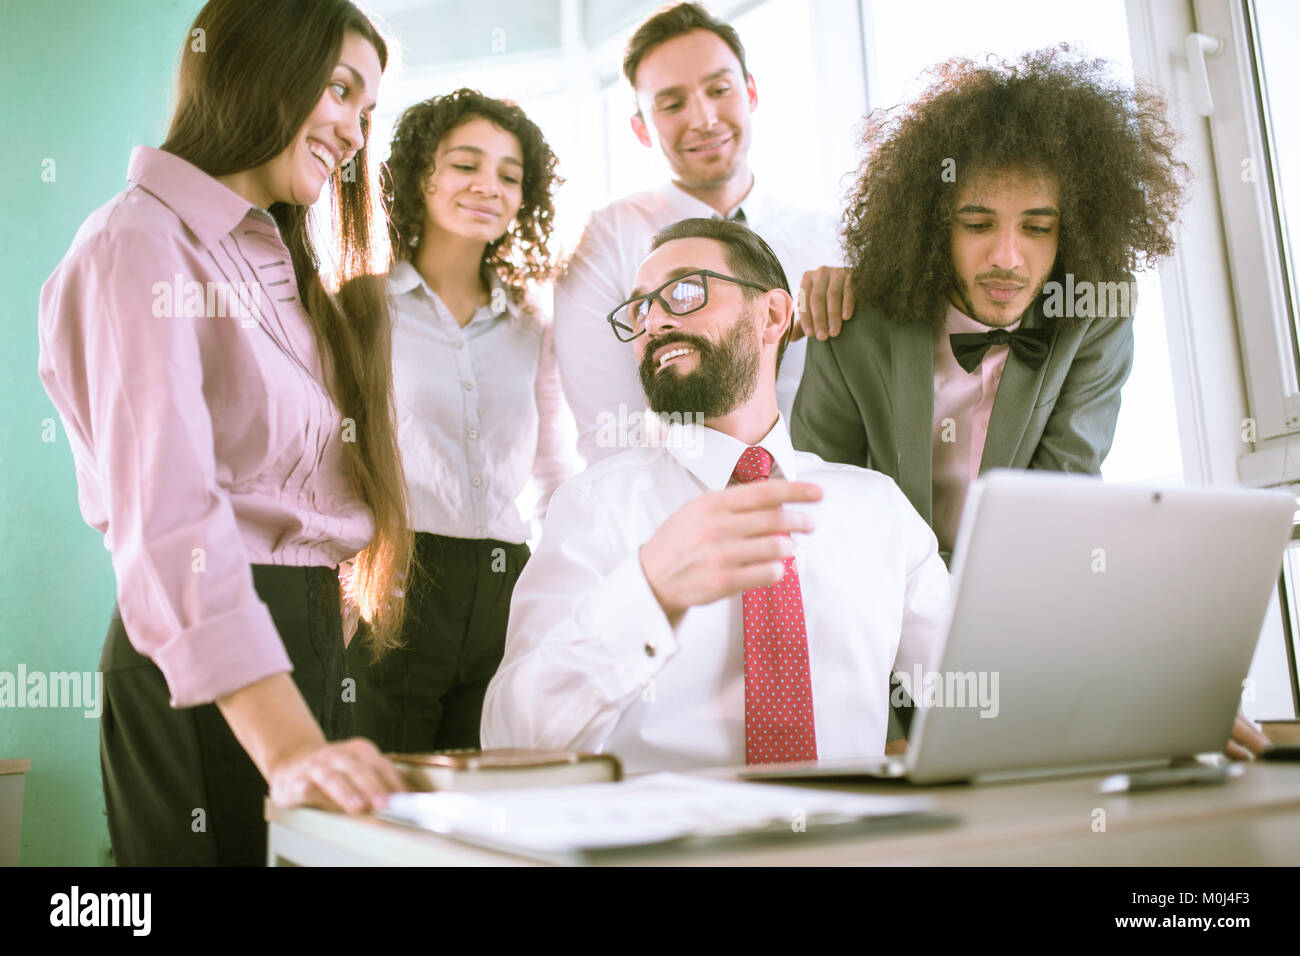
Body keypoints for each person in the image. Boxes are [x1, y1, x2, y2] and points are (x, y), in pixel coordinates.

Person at [791, 47, 1269, 757]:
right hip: (872, 627)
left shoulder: (1095, 315)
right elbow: (819, 514)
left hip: (1016, 615)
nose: (1008, 256)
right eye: (978, 224)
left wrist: (1132, 674)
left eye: (1038, 227)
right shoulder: (853, 322)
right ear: (932, 224)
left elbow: (1060, 505)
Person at [37, 0, 408, 866]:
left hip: (306, 647)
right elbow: (168, 520)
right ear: (259, 64)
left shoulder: (278, 262)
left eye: (368, 111)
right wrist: (286, 746)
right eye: (342, 90)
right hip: (212, 669)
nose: (355, 132)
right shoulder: (138, 241)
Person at [481, 218, 950, 770]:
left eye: (684, 291)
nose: (653, 321)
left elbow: (979, 701)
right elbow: (512, 739)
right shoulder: (593, 507)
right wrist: (647, 591)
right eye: (639, 310)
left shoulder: (879, 510)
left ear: (773, 314)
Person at [345, 90, 574, 753]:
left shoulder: (532, 325)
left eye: (509, 175)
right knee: (389, 804)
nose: (489, 187)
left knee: (482, 803)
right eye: (466, 165)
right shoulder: (362, 308)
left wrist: (563, 580)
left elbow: (553, 466)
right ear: (422, 176)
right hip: (397, 576)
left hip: (510, 580)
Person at [554, 2, 841, 466]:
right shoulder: (605, 242)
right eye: (672, 104)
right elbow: (608, 431)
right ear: (642, 129)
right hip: (676, 513)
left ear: (750, 92)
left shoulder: (828, 239)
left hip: (823, 505)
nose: (704, 118)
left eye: (719, 89)